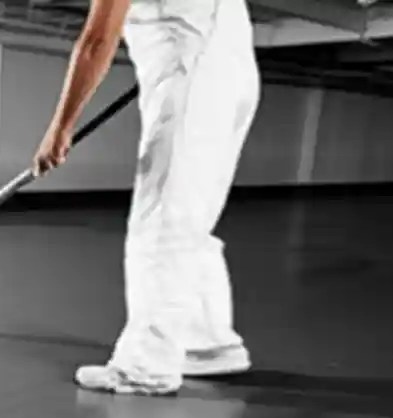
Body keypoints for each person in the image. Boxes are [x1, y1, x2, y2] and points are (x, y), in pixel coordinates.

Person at [33, 0, 261, 395]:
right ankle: (209, 344)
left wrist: (60, 126)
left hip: (192, 74)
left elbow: (96, 41)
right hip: (227, 74)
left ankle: (146, 364)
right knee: (189, 220)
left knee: (160, 221)